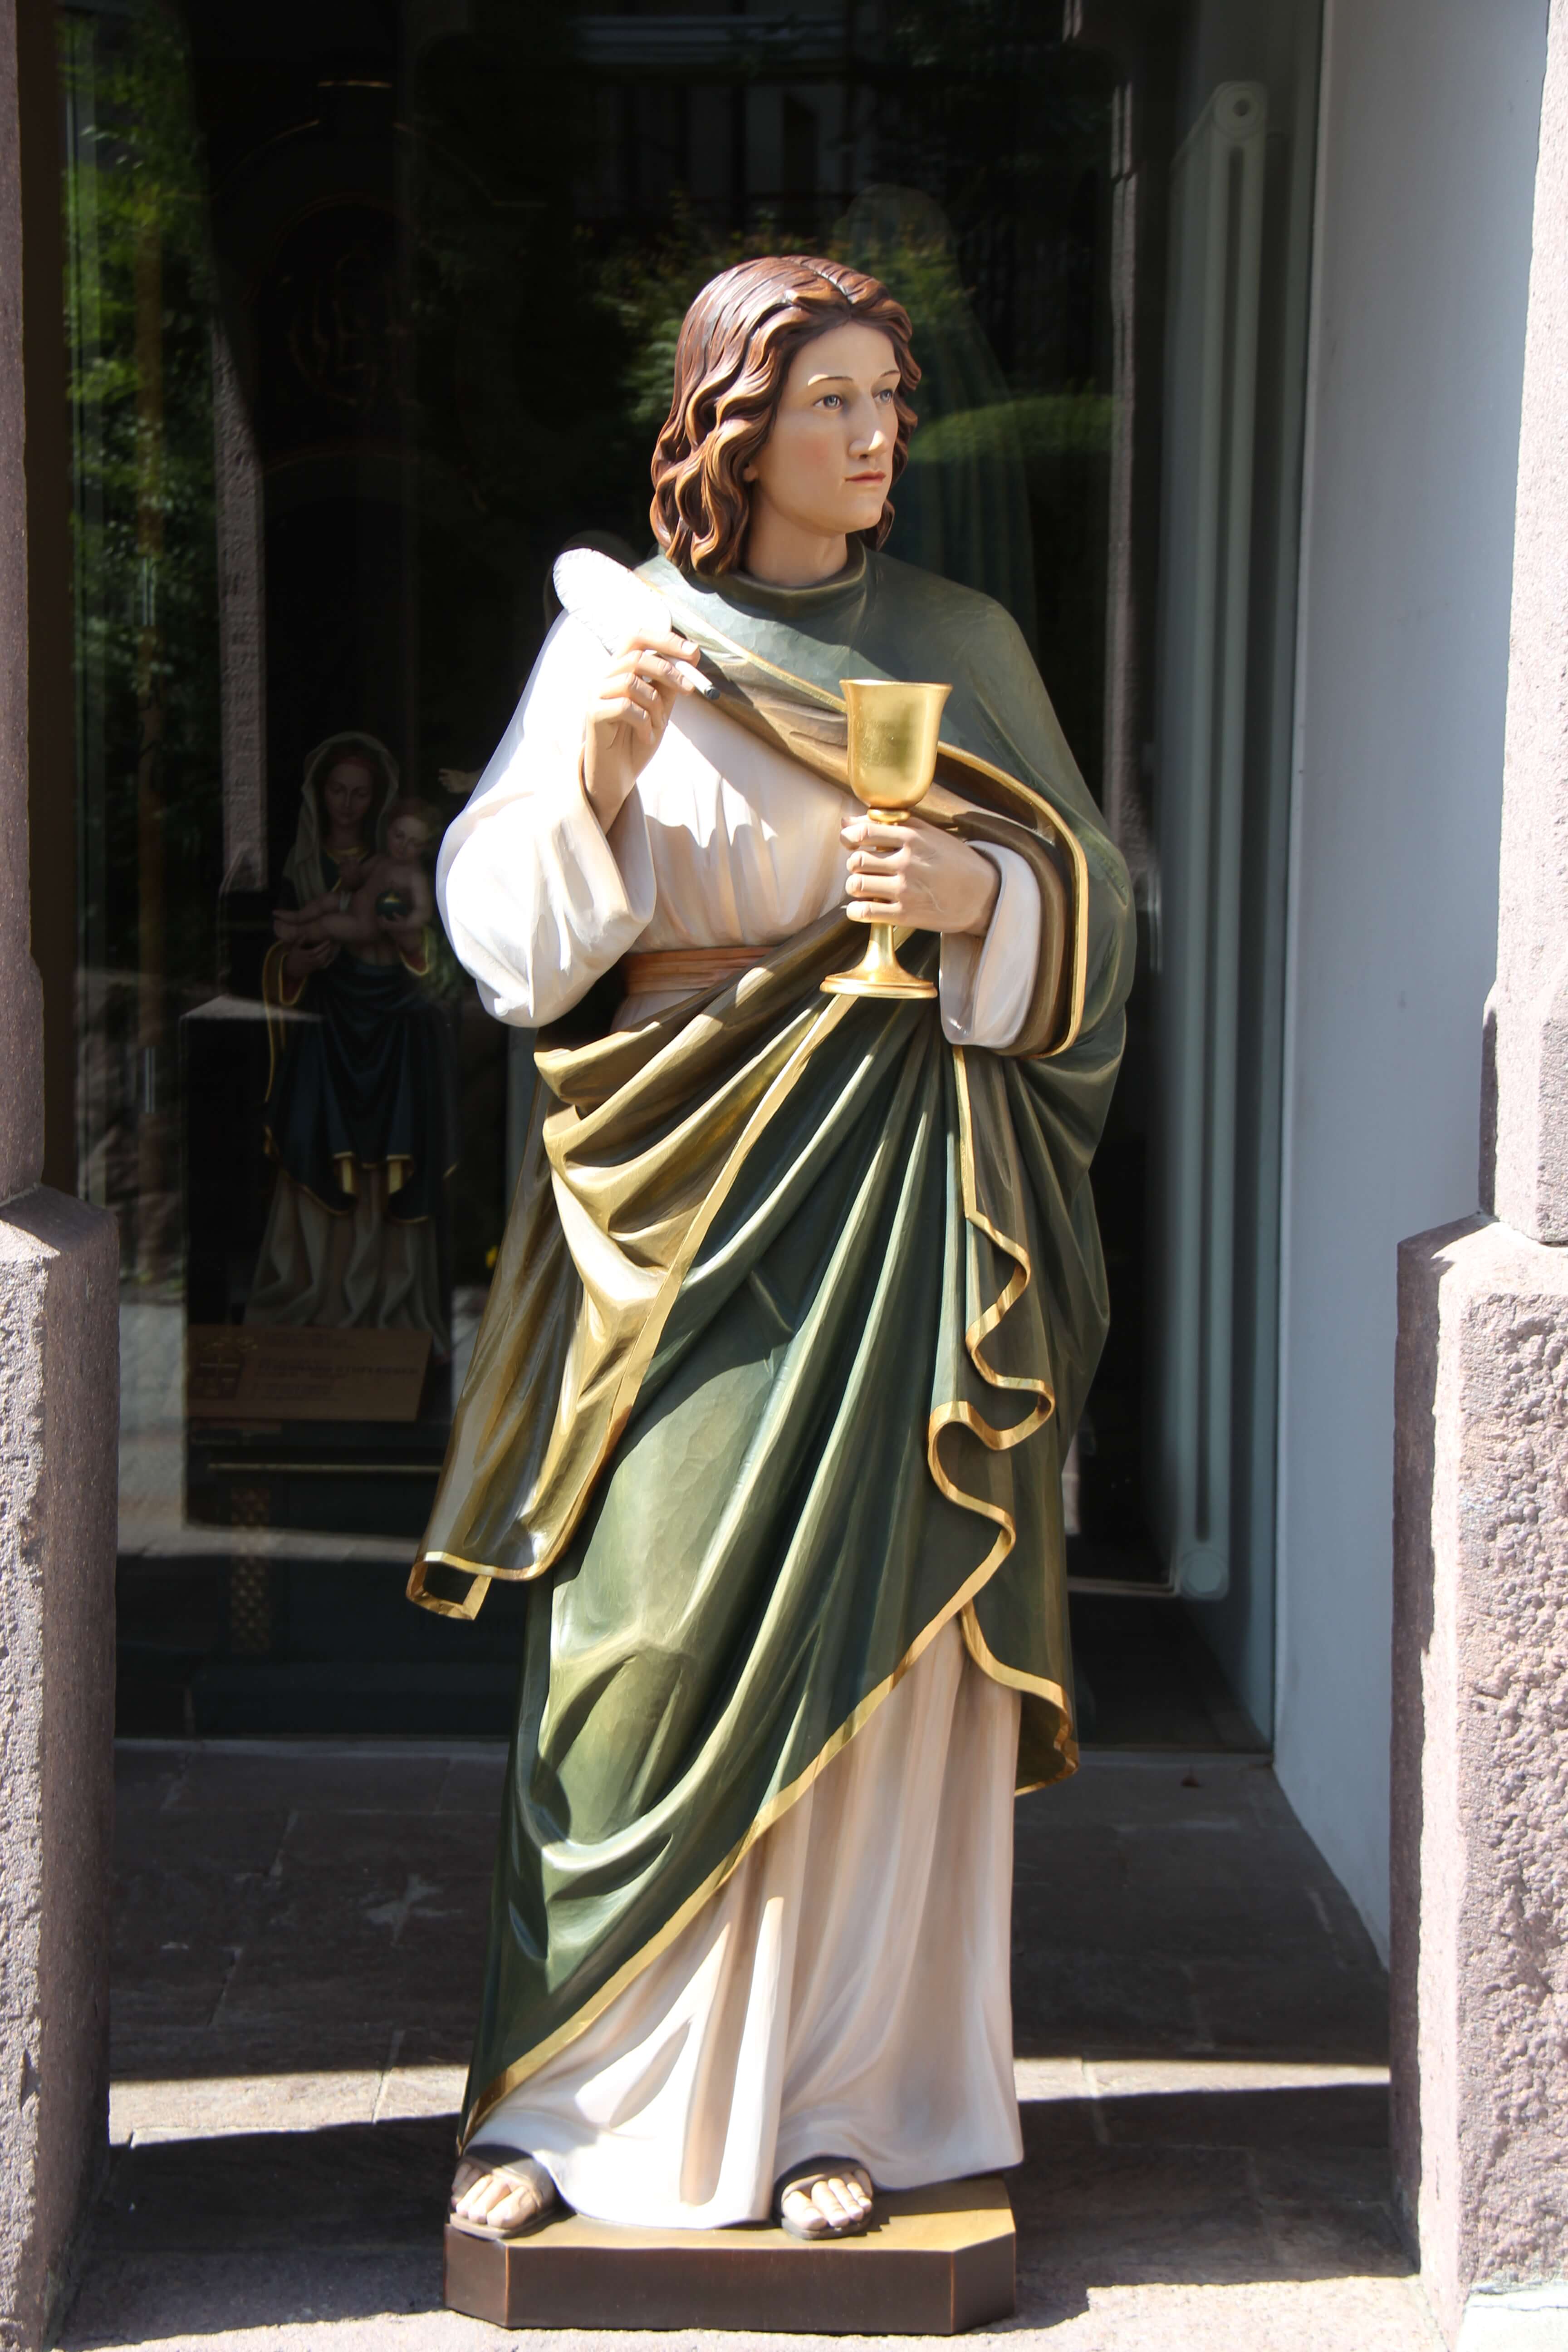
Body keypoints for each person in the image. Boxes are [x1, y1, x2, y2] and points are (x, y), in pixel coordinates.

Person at [412, 256, 1134, 2244]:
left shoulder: (956, 638)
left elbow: (1094, 923)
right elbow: (502, 937)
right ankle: (566, 2105)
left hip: (893, 1191)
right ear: (734, 422)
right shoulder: (627, 636)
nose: (875, 431)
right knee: (630, 1656)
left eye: (888, 398)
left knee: (875, 1656)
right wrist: (589, 769)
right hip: (668, 1194)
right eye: (832, 399)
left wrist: (981, 885)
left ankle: (848, 2104)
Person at [246, 737, 458, 1357]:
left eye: (360, 793)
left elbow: (433, 958)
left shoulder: (399, 867)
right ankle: (316, 1295)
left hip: (391, 1032)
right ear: (320, 795)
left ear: (379, 803)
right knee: (320, 1153)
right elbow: (268, 957)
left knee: (385, 1164)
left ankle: (388, 1304)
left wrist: (413, 948)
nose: (347, 802)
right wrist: (295, 964)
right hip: (327, 1030)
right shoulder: (301, 866)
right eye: (337, 790)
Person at [272, 795, 438, 955]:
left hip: (366, 924)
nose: (403, 846)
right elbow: (359, 879)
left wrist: (404, 925)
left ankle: (297, 932)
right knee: (327, 901)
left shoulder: (415, 877)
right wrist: (351, 874)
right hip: (354, 902)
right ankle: (298, 916)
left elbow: (423, 912)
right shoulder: (383, 860)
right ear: (388, 830)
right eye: (399, 836)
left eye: (415, 843)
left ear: (425, 847)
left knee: (328, 925)